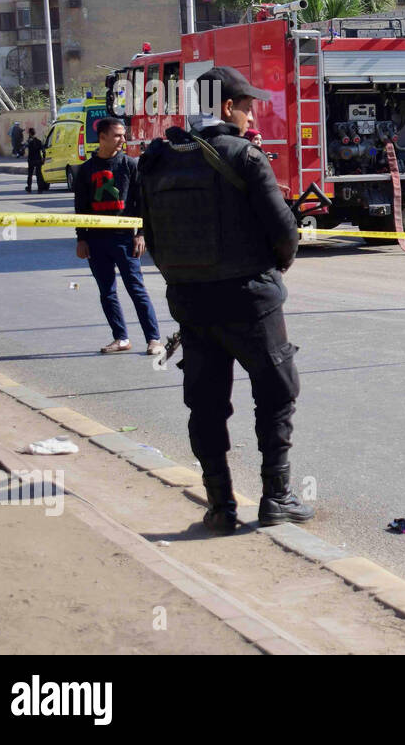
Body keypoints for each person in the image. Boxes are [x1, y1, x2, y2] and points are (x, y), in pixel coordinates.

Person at [138, 66, 311, 534]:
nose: (252, 114)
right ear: (227, 108)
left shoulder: (156, 159)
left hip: (191, 304)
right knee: (275, 395)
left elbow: (152, 238)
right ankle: (276, 497)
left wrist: (187, 280)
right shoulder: (244, 155)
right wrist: (270, 274)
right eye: (247, 106)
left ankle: (220, 506)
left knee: (206, 404)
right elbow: (285, 232)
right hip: (250, 300)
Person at [73, 117, 163, 355]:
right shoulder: (86, 170)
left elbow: (141, 202)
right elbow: (80, 206)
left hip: (125, 239)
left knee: (136, 289)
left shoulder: (129, 165)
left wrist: (140, 234)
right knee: (107, 291)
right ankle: (121, 337)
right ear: (102, 138)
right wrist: (81, 239)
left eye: (124, 135)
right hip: (96, 240)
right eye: (117, 135)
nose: (123, 139)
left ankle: (153, 338)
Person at [24, 128, 48, 193]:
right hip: (38, 160)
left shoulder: (28, 141)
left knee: (30, 175)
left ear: (29, 133)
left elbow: (23, 148)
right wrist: (43, 159)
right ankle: (40, 189)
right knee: (39, 175)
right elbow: (44, 151)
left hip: (31, 160)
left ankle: (29, 188)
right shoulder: (39, 141)